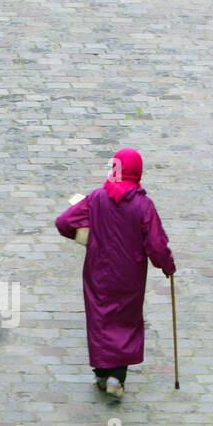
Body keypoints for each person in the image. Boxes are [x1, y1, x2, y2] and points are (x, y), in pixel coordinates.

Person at [55, 147, 175, 399]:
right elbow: (155, 244)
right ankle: (116, 377)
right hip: (129, 273)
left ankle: (101, 372)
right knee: (125, 320)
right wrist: (167, 266)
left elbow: (64, 222)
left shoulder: (97, 198)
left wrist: (84, 236)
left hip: (98, 269)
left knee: (100, 318)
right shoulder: (143, 205)